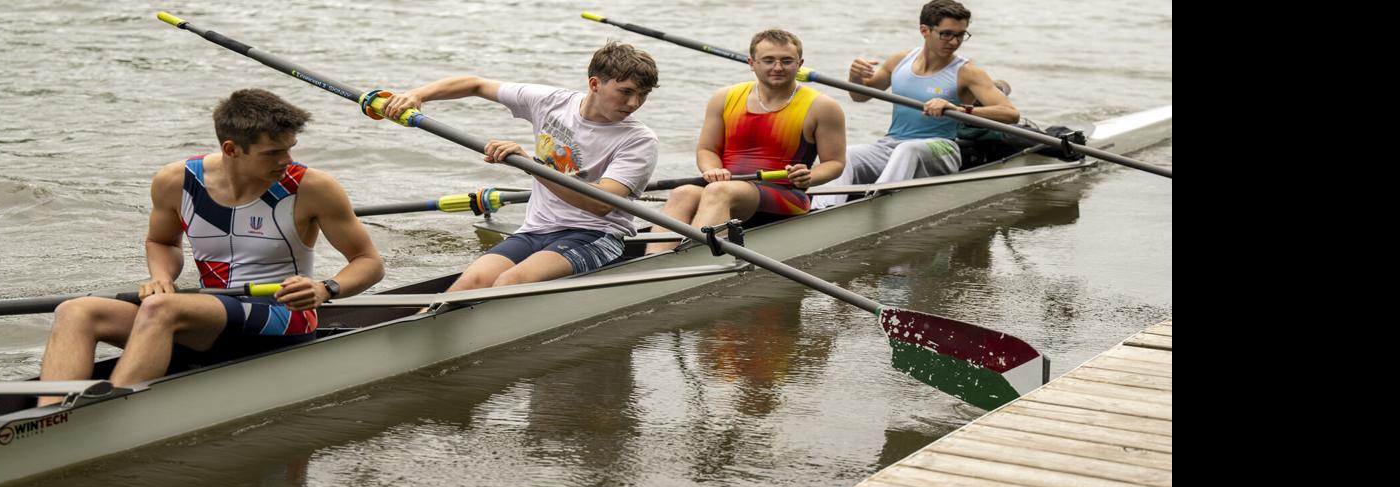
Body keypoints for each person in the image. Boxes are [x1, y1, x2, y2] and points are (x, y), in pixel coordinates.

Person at [37, 88, 384, 406]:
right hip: (208, 316)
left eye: (290, 148)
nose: (287, 160)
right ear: (231, 149)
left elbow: (368, 261)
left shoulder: (312, 188)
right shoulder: (176, 182)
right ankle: (49, 417)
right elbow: (161, 241)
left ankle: (108, 417)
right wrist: (161, 276)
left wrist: (325, 289)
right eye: (274, 153)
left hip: (282, 315)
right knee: (75, 311)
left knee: (160, 308)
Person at [383, 42, 660, 291]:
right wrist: (417, 95)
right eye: (626, 92)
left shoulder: (639, 140)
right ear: (595, 84)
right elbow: (475, 84)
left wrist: (531, 165)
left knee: (509, 283)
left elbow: (600, 204)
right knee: (471, 283)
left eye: (643, 94)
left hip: (596, 234)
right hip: (535, 229)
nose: (634, 103)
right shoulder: (551, 102)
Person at [648, 28, 846, 254]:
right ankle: (655, 258)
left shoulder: (823, 107)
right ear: (752, 63)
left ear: (800, 64)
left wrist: (809, 176)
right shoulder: (724, 97)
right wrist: (713, 170)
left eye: (786, 61)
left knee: (719, 191)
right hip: (728, 188)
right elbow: (707, 150)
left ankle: (695, 259)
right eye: (768, 60)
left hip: (784, 194)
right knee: (682, 193)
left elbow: (835, 163)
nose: (777, 67)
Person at [811, 0, 1018, 209]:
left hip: (942, 147)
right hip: (891, 145)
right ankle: (821, 209)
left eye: (960, 35)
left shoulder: (967, 72)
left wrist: (959, 109)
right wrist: (855, 77)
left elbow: (1010, 114)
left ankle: (876, 207)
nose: (954, 42)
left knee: (908, 150)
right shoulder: (900, 60)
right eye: (946, 34)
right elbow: (859, 96)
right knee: (846, 155)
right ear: (924, 30)